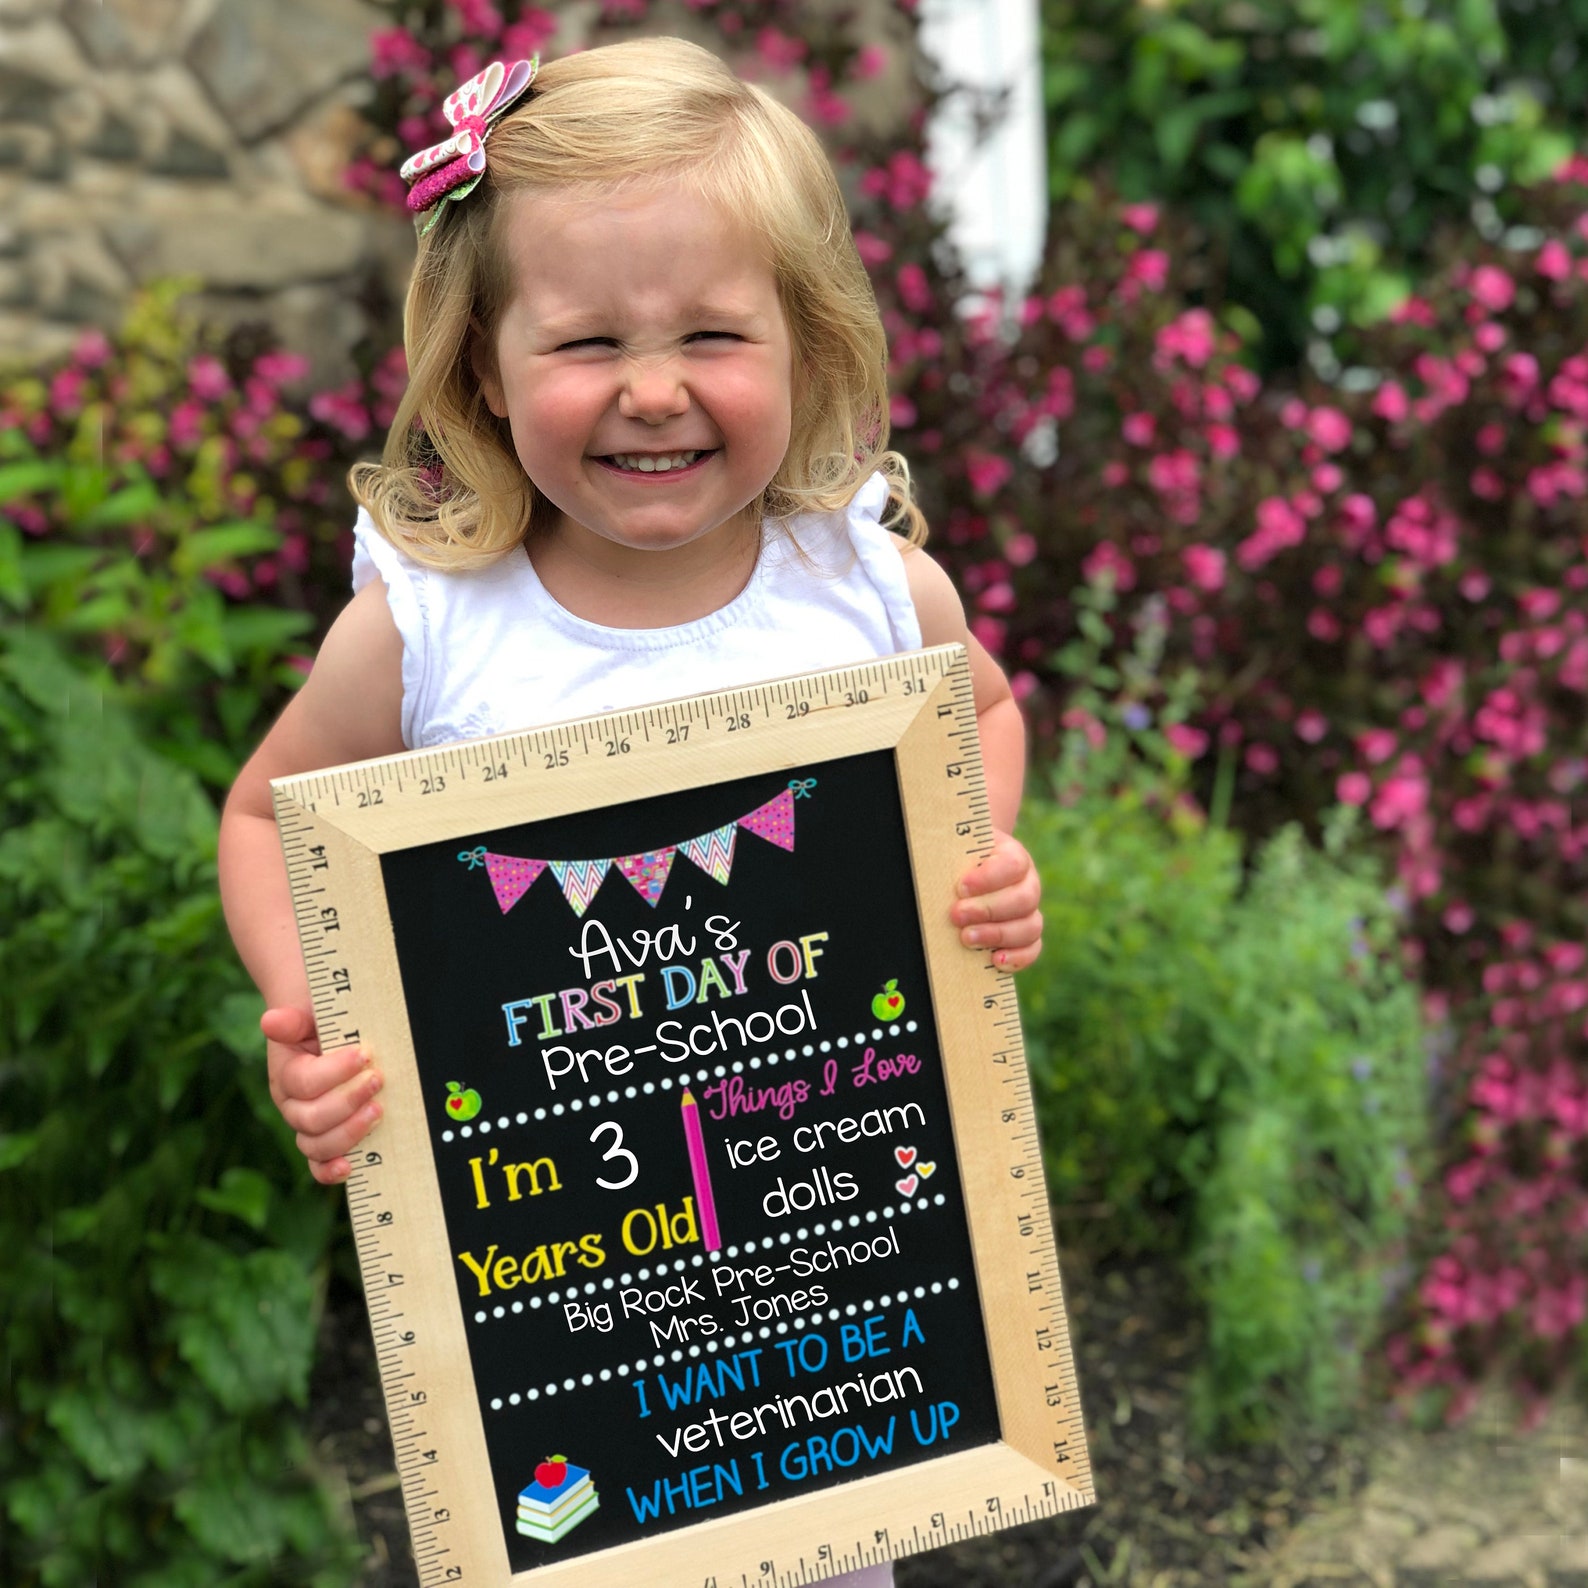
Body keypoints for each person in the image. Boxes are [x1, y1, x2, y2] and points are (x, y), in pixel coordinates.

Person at [218, 38, 1041, 1588]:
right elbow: (269, 817)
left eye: (715, 335)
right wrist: (313, 1007)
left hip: (815, 1327)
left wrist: (973, 860)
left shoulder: (859, 589)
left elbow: (980, 711)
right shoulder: (436, 629)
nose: (652, 391)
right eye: (586, 340)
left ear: (806, 344)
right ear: (481, 368)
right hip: (555, 1328)